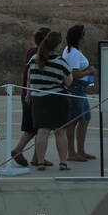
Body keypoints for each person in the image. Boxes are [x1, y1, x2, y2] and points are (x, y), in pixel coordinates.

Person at [26, 31, 73, 170]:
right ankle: (63, 163)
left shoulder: (34, 59)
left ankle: (40, 162)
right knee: (60, 131)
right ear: (58, 45)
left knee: (42, 131)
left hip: (38, 99)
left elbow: (29, 78)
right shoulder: (60, 62)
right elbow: (68, 81)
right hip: (57, 99)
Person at [10, 26, 51, 168]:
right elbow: (32, 76)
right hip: (33, 94)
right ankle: (18, 149)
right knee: (35, 128)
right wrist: (29, 93)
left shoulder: (31, 51)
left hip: (29, 93)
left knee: (37, 128)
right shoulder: (38, 54)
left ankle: (37, 157)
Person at [61, 24, 95, 162]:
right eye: (84, 34)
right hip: (75, 88)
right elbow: (73, 73)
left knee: (85, 119)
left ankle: (81, 150)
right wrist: (89, 72)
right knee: (74, 121)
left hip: (81, 89)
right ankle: (72, 152)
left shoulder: (73, 50)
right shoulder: (73, 53)